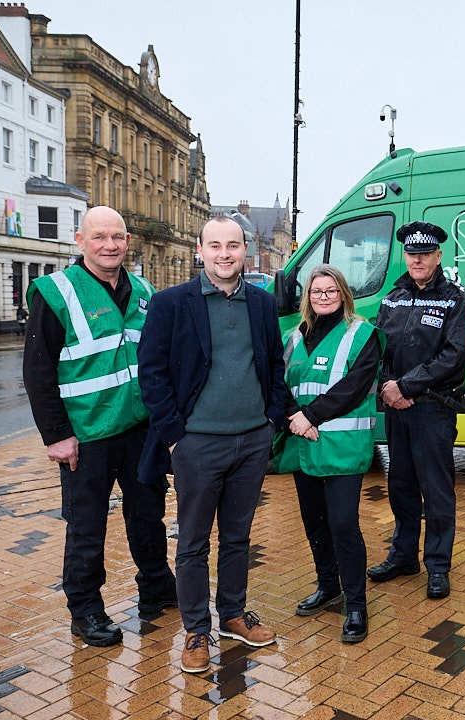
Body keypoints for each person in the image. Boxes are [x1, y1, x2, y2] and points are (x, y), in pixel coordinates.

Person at [137, 215, 286, 673]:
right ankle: (197, 630)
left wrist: (270, 423)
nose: (225, 254)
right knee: (194, 543)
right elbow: (152, 374)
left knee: (238, 537)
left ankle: (233, 615)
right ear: (200, 250)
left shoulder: (261, 304)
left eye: (234, 245)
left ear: (245, 250)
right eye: (215, 245)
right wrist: (176, 438)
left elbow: (274, 367)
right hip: (197, 445)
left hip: (251, 442)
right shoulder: (170, 304)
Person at [23, 206, 176, 648]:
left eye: (117, 237)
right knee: (87, 525)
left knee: (148, 514)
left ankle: (156, 585)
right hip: (85, 434)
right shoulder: (56, 292)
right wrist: (56, 436)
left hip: (139, 431)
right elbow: (37, 371)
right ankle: (86, 608)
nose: (110, 245)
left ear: (128, 241)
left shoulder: (145, 291)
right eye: (100, 237)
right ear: (80, 241)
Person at [367, 221, 465, 599]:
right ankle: (403, 556)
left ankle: (438, 565)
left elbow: (455, 355)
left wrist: (407, 386)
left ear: (438, 256)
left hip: (433, 409)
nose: (418, 259)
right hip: (398, 409)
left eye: (425, 254)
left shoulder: (456, 300)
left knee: (437, 491)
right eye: (412, 254)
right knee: (401, 486)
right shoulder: (392, 298)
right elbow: (377, 348)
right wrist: (387, 388)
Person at [280, 264, 381, 643]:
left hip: (341, 447)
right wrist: (294, 416)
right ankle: (328, 587)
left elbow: (355, 386)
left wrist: (309, 415)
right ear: (308, 297)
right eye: (316, 291)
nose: (323, 297)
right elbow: (279, 383)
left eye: (331, 291)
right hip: (304, 445)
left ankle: (356, 604)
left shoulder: (362, 334)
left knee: (343, 524)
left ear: (343, 295)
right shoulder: (293, 337)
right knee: (314, 523)